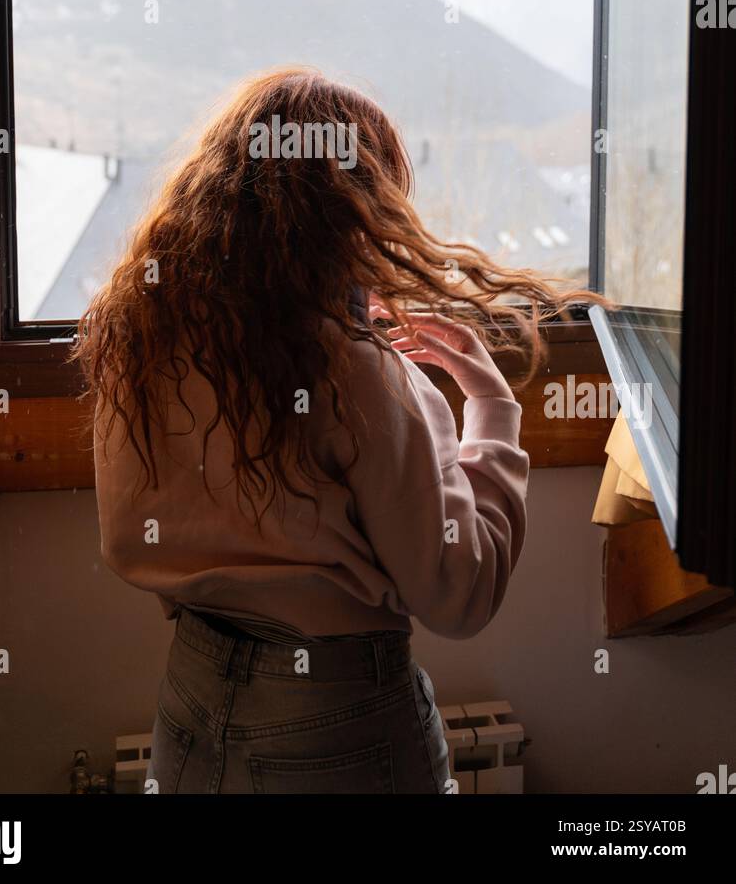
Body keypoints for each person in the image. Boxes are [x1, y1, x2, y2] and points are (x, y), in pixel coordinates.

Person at [79, 67, 594, 794]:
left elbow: (122, 538)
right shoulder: (351, 370)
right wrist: (491, 407)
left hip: (190, 700)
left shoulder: (135, 333)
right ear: (349, 211)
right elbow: (459, 594)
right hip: (336, 720)